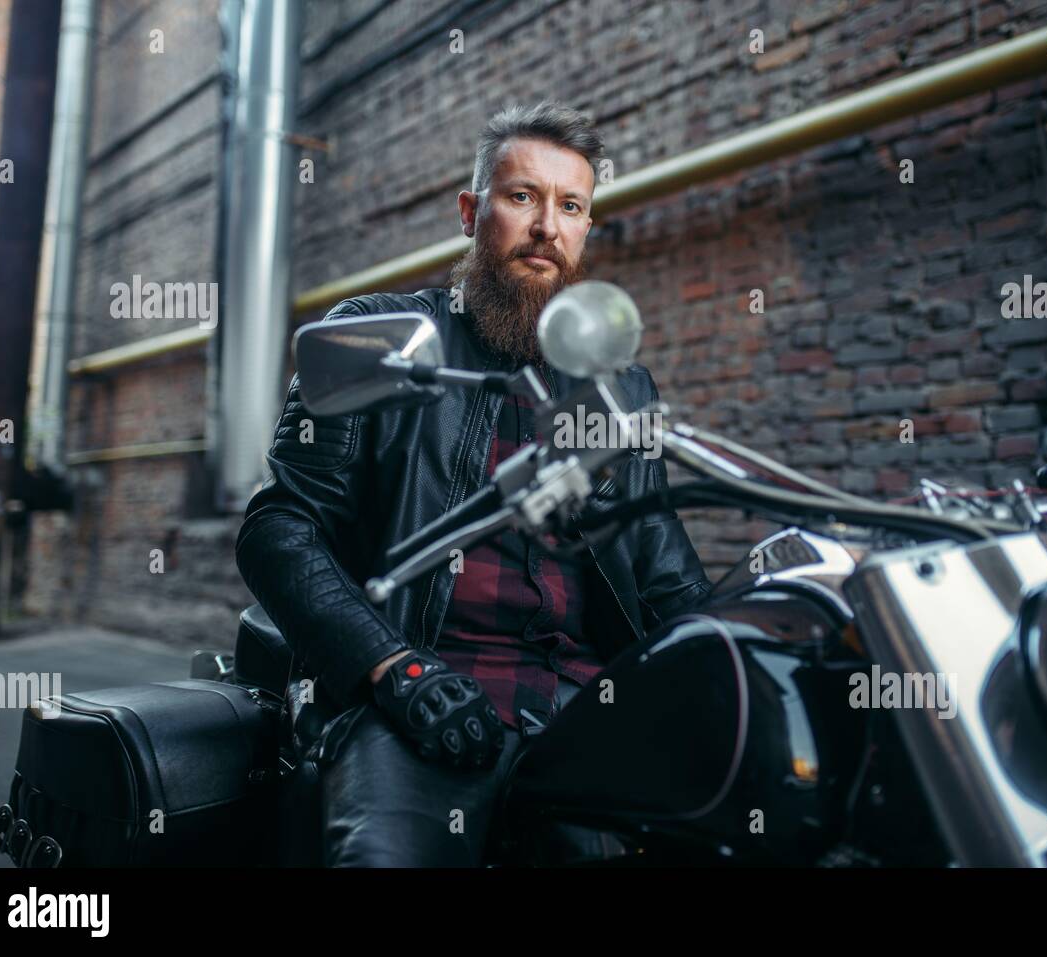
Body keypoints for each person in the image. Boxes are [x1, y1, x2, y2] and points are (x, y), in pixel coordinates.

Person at [235, 101, 712, 866]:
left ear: (586, 229)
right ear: (471, 212)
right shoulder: (381, 337)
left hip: (583, 712)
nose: (546, 226)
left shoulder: (618, 390)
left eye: (571, 206)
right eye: (522, 196)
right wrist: (394, 668)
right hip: (414, 697)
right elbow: (279, 531)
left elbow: (664, 573)